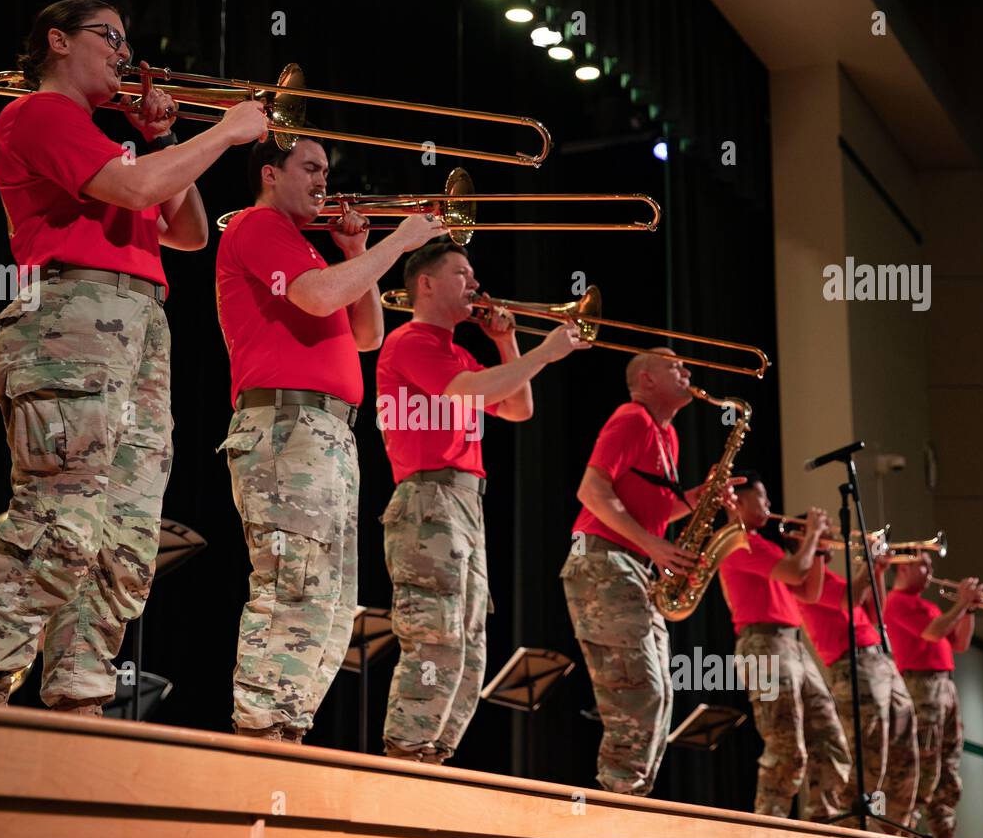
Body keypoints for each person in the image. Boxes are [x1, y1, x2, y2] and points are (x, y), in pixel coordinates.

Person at [0, 0, 268, 715]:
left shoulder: (111, 144)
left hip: (139, 325)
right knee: (59, 518)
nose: (125, 55)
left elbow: (186, 232)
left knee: (124, 538)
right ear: (58, 42)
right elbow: (134, 190)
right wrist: (223, 132)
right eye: (111, 38)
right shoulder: (41, 115)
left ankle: (81, 698)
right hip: (72, 319)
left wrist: (166, 142)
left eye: (127, 41)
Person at [216, 137, 445, 742]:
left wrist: (361, 249)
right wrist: (401, 243)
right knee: (292, 584)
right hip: (287, 428)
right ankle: (259, 733)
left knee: (331, 598)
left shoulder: (306, 248)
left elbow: (367, 333)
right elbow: (317, 299)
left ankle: (284, 732)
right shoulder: (258, 224)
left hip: (327, 433)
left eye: (327, 170)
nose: (324, 180)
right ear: (270, 173)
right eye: (310, 168)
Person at [377, 242, 587, 763]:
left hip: (465, 503)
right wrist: (547, 353)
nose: (474, 283)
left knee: (470, 645)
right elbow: (468, 393)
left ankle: (434, 756)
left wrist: (511, 342)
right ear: (425, 284)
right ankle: (403, 757)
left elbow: (518, 408)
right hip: (429, 499)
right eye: (461, 273)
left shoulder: (461, 352)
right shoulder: (409, 340)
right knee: (435, 637)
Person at [560, 350, 738, 795]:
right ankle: (616, 799)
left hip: (634, 565)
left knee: (658, 694)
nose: (688, 372)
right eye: (675, 366)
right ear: (647, 378)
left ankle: (631, 797)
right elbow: (591, 489)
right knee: (639, 690)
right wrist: (653, 544)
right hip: (604, 560)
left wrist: (702, 497)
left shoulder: (669, 435)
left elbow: (656, 506)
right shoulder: (632, 418)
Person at [718, 476, 851, 820]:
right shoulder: (738, 542)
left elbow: (809, 593)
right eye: (760, 498)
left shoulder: (768, 545)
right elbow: (794, 573)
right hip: (763, 644)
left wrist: (819, 548)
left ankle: (824, 824)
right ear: (738, 504)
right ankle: (768, 827)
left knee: (831, 740)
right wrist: (810, 539)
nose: (767, 505)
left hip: (793, 645)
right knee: (787, 749)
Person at [798, 550, 918, 831]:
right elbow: (850, 598)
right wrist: (868, 565)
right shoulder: (809, 580)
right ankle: (852, 830)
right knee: (868, 751)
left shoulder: (832, 577)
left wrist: (876, 573)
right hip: (852, 663)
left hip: (880, 658)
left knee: (904, 747)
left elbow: (876, 613)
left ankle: (896, 830)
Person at [884, 552, 982, 838]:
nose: (930, 570)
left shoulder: (927, 605)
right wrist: (961, 602)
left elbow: (960, 643)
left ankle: (945, 837)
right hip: (920, 686)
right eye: (923, 564)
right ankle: (906, 836)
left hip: (945, 685)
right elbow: (932, 633)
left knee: (948, 766)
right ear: (902, 568)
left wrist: (970, 610)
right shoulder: (896, 602)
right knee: (923, 766)